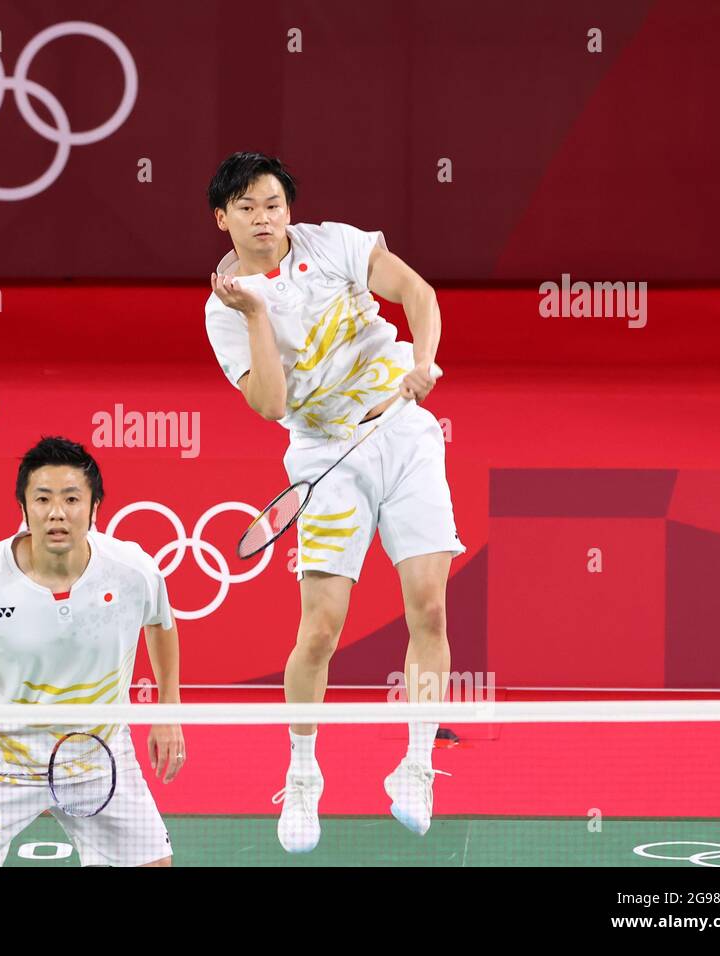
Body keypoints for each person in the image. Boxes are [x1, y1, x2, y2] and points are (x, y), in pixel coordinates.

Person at [203, 152, 465, 849]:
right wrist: (257, 313)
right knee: (320, 630)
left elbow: (418, 293)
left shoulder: (336, 243)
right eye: (247, 208)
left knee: (430, 606)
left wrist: (423, 361)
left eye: (273, 204)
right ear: (221, 218)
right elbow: (269, 404)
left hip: (402, 429)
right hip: (324, 456)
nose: (263, 219)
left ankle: (415, 765)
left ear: (289, 209)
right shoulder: (224, 308)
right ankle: (302, 777)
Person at [0, 437, 185, 867]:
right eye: (43, 499)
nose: (57, 512)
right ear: (23, 509)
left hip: (97, 758)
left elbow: (160, 624)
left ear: (95, 509)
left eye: (72, 499)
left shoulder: (133, 570)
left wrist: (168, 713)